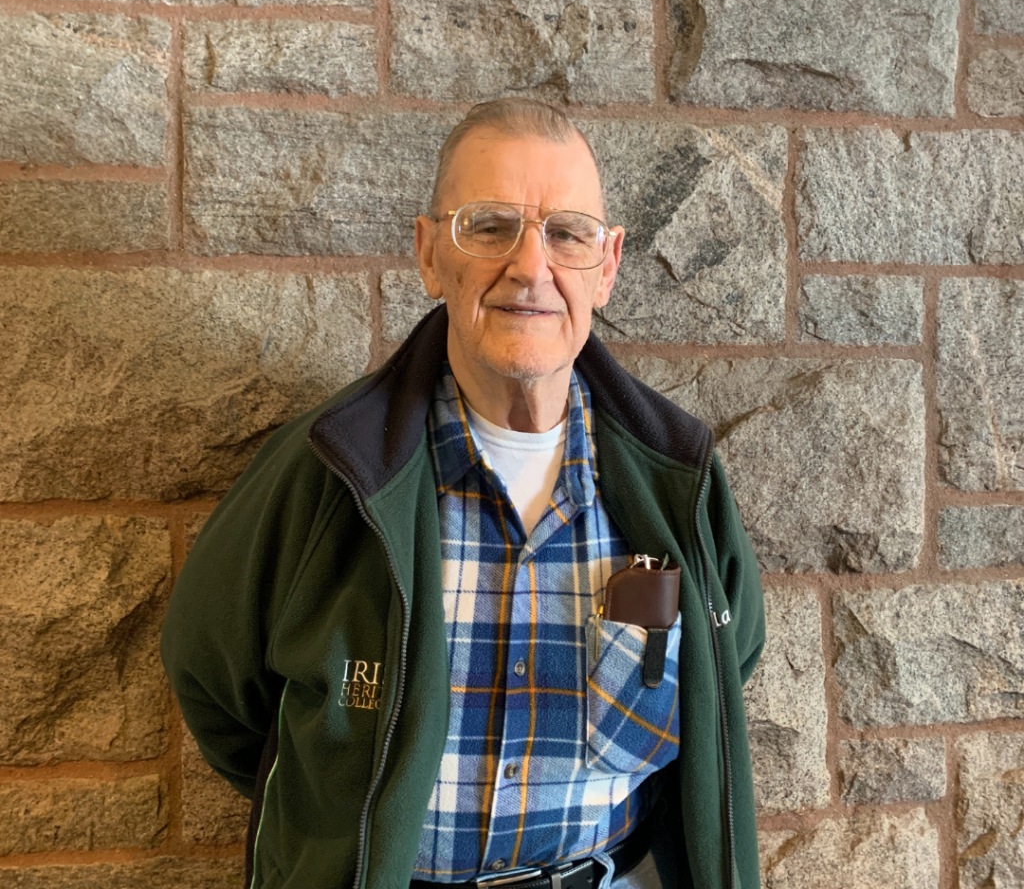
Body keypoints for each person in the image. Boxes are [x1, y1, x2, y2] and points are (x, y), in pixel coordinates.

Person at [161, 98, 766, 889]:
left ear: (608, 265)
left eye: (567, 234)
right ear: (428, 254)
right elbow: (215, 682)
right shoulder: (330, 476)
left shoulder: (678, 481)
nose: (531, 267)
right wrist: (331, 825)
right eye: (489, 227)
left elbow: (726, 666)